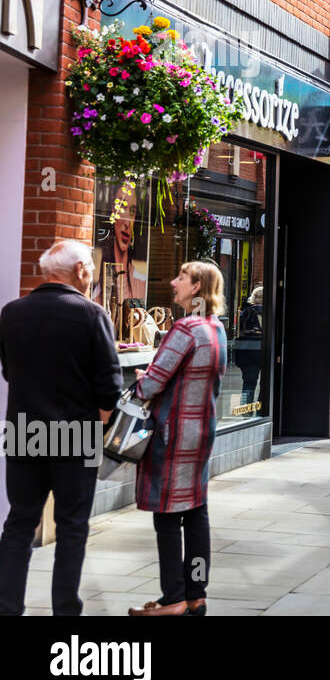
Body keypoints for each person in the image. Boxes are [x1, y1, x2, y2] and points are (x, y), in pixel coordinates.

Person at [0, 241, 120, 617]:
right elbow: (110, 388)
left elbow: (9, 371)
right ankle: (66, 609)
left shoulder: (12, 313)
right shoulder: (91, 314)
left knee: (19, 522)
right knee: (72, 526)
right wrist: (96, 426)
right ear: (82, 271)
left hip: (23, 429)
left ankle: (7, 607)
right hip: (75, 431)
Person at [128, 261, 228, 616]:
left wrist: (142, 379)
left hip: (172, 437)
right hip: (201, 435)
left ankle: (173, 598)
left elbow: (153, 384)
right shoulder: (216, 329)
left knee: (167, 519)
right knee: (197, 513)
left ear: (197, 287)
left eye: (181, 278)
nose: (173, 283)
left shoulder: (186, 328)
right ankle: (196, 594)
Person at [234, 285, 263, 409]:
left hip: (247, 350)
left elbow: (238, 332)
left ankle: (246, 410)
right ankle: (262, 410)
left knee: (248, 383)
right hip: (263, 350)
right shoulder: (270, 312)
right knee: (266, 384)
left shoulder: (246, 312)